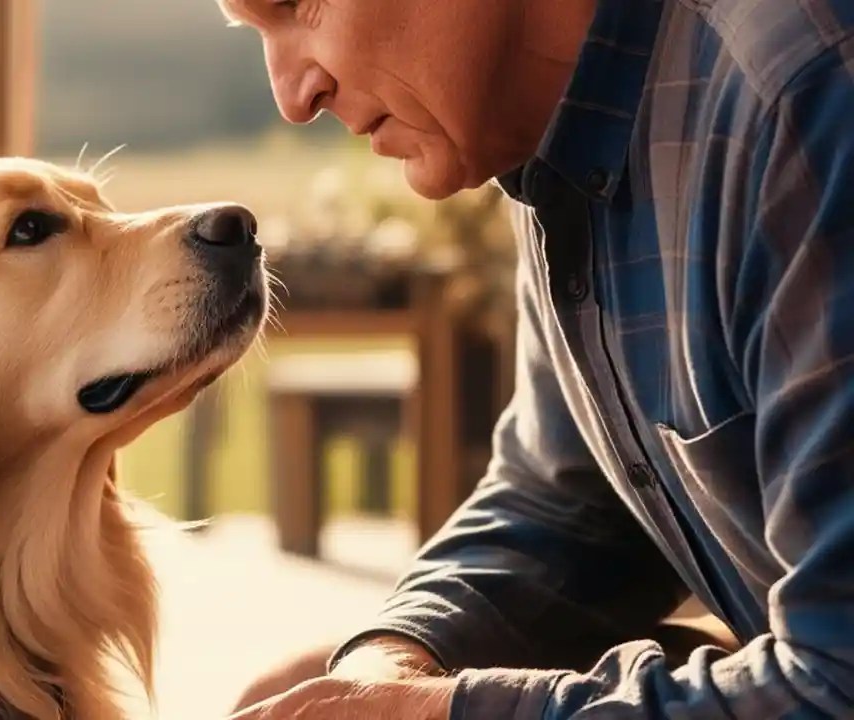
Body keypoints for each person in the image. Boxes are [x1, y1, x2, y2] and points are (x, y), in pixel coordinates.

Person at [216, 0, 854, 718]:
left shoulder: (806, 94)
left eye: (300, 4)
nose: (294, 96)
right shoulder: (540, 132)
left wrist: (434, 713)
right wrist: (397, 656)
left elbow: (839, 681)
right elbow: (570, 502)